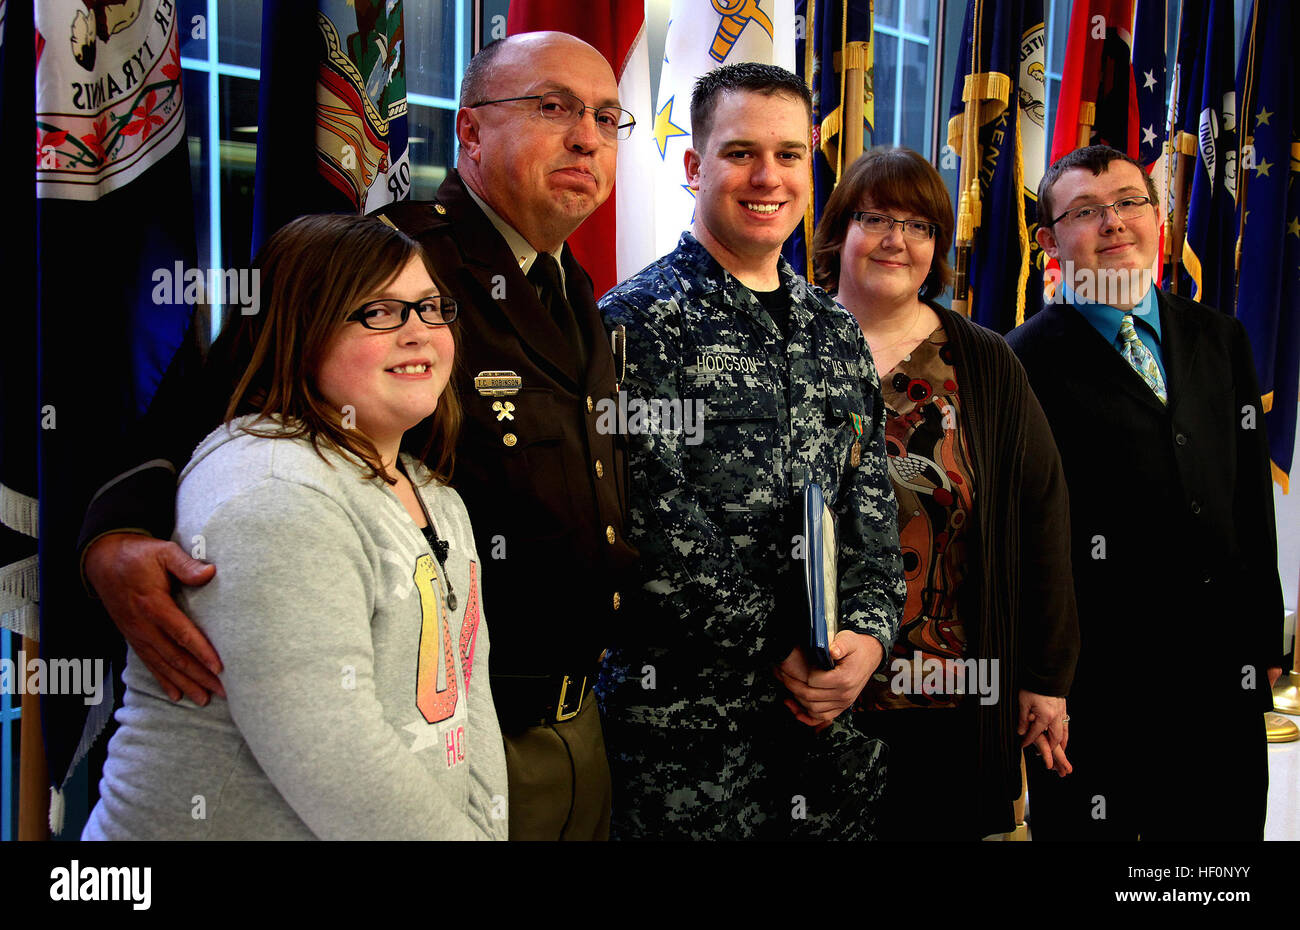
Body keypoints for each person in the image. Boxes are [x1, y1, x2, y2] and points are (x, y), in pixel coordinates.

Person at [78, 32, 637, 841]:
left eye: (606, 116)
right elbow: (215, 406)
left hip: (556, 719)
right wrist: (115, 535)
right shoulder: (391, 258)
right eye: (552, 107)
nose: (586, 134)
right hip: (411, 734)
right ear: (471, 133)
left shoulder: (571, 285)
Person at [83, 214, 506, 840]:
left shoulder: (435, 496)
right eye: (379, 312)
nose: (419, 332)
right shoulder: (273, 488)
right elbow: (339, 763)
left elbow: (471, 714)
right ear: (301, 331)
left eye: (430, 308)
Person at [597, 63, 906, 840]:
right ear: (695, 166)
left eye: (790, 154)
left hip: (828, 748)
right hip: (688, 752)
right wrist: (787, 645)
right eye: (740, 153)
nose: (768, 176)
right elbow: (651, 524)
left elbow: (871, 507)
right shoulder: (634, 323)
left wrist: (867, 640)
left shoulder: (835, 330)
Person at [1006, 144, 1284, 840]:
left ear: (1158, 216)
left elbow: (1250, 495)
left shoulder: (1221, 338)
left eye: (1131, 202)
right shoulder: (1018, 364)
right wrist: (1038, 677)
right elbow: (1015, 540)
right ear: (1049, 239)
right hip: (1097, 689)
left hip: (1221, 678)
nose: (1115, 223)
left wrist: (1262, 633)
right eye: (1087, 212)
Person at [810, 147, 1079, 840]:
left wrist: (1045, 678)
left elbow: (1041, 519)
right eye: (877, 218)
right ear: (839, 230)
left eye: (920, 224)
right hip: (806, 697)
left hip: (948, 699)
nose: (898, 239)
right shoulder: (789, 344)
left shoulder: (986, 363)